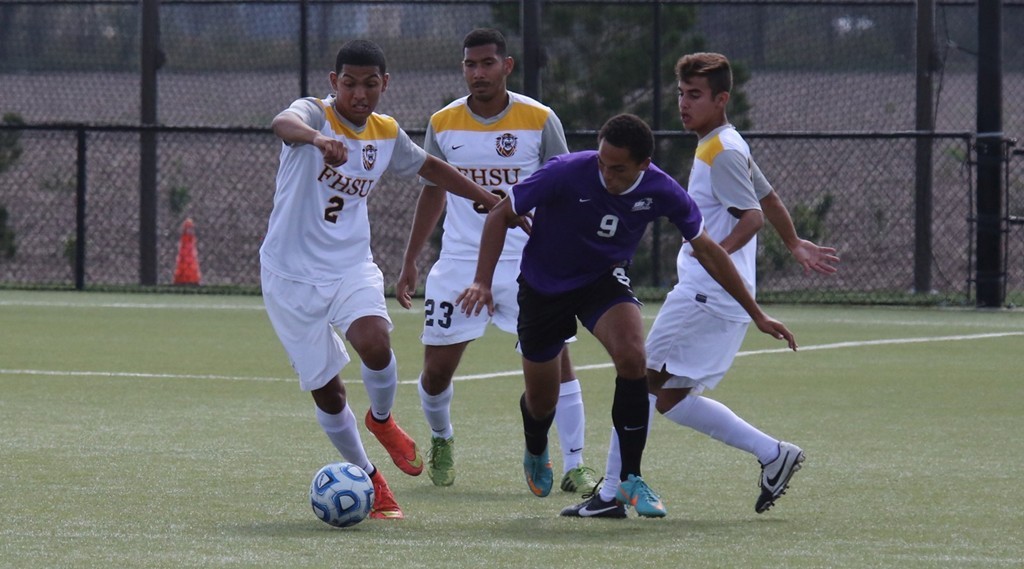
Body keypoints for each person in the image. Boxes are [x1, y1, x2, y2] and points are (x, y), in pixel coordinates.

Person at [457, 113, 798, 518]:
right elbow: (500, 214)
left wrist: (756, 313)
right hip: (544, 287)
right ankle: (535, 447)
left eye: (617, 168)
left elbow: (708, 250)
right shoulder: (565, 171)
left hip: (603, 281)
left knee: (636, 358)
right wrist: (481, 281)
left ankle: (629, 479)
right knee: (542, 400)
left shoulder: (662, 190)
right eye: (602, 162)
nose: (606, 174)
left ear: (642, 165)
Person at [587, 52, 840, 519]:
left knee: (637, 379)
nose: (685, 103)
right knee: (670, 398)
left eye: (696, 95)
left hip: (707, 294)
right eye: (682, 93)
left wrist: (713, 252)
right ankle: (773, 453)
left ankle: (610, 494)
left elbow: (753, 215)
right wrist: (795, 242)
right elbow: (768, 197)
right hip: (716, 296)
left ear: (721, 99)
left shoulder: (721, 150)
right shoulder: (723, 142)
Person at [259, 39, 502, 520]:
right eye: (349, 83)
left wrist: (490, 200)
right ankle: (370, 478)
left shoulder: (385, 133)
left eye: (371, 83)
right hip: (289, 276)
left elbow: (430, 167)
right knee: (328, 391)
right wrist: (316, 139)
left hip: (350, 264)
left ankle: (383, 420)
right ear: (334, 83)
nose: (359, 93)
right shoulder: (313, 113)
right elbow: (280, 123)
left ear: (384, 84)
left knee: (375, 342)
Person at [396, 28, 597, 493]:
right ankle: (442, 439)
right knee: (435, 373)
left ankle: (575, 463)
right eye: (470, 65)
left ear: (506, 66)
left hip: (530, 265)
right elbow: (433, 191)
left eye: (487, 63)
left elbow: (564, 187)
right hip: (460, 262)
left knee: (558, 363)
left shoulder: (539, 118)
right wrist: (410, 261)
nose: (478, 73)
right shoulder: (443, 122)